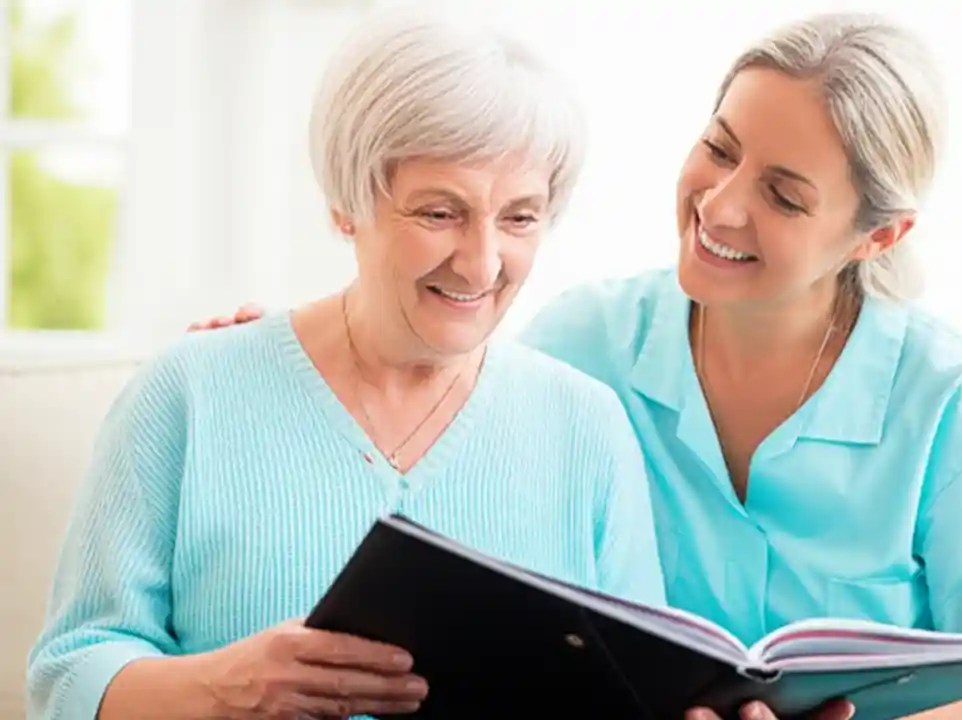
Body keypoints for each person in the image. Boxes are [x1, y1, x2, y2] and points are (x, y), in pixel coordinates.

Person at [188, 11, 962, 720]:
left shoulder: (958, 406)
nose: (722, 205)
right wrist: (301, 348)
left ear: (880, 234)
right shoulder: (586, 340)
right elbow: (441, 382)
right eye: (719, 149)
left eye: (783, 194)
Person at [25, 8, 667, 720]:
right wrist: (222, 688)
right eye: (438, 213)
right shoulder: (189, 393)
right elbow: (65, 681)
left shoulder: (586, 426)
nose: (483, 262)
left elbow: (641, 691)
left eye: (519, 217)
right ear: (345, 205)